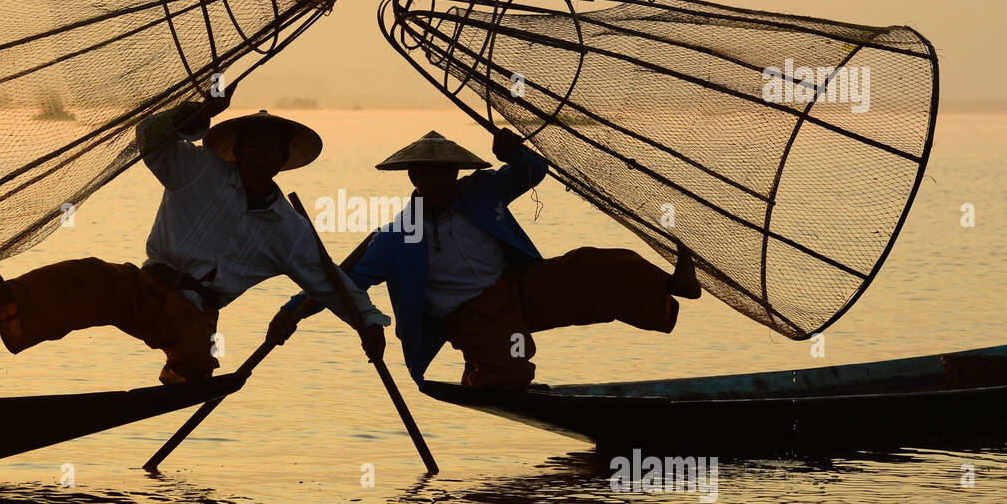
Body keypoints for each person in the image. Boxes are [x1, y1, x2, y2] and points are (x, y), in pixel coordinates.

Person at [0, 89, 389, 384]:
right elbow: (149, 139)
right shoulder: (199, 167)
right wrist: (189, 113)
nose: (262, 155)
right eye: (255, 147)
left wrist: (367, 322)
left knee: (195, 361)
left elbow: (329, 280)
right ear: (238, 150)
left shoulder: (288, 228)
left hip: (194, 310)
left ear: (283, 160)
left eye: (271, 150)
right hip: (145, 284)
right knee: (84, 277)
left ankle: (179, 379)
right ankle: (6, 298)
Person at [268, 129, 700, 390]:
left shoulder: (479, 191)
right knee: (507, 377)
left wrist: (511, 151)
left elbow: (533, 171)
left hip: (521, 288)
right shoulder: (395, 237)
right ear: (414, 178)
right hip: (472, 317)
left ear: (455, 173)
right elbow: (338, 281)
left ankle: (669, 286)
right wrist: (291, 313)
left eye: (446, 173)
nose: (440, 181)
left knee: (597, 265)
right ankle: (479, 374)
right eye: (430, 174)